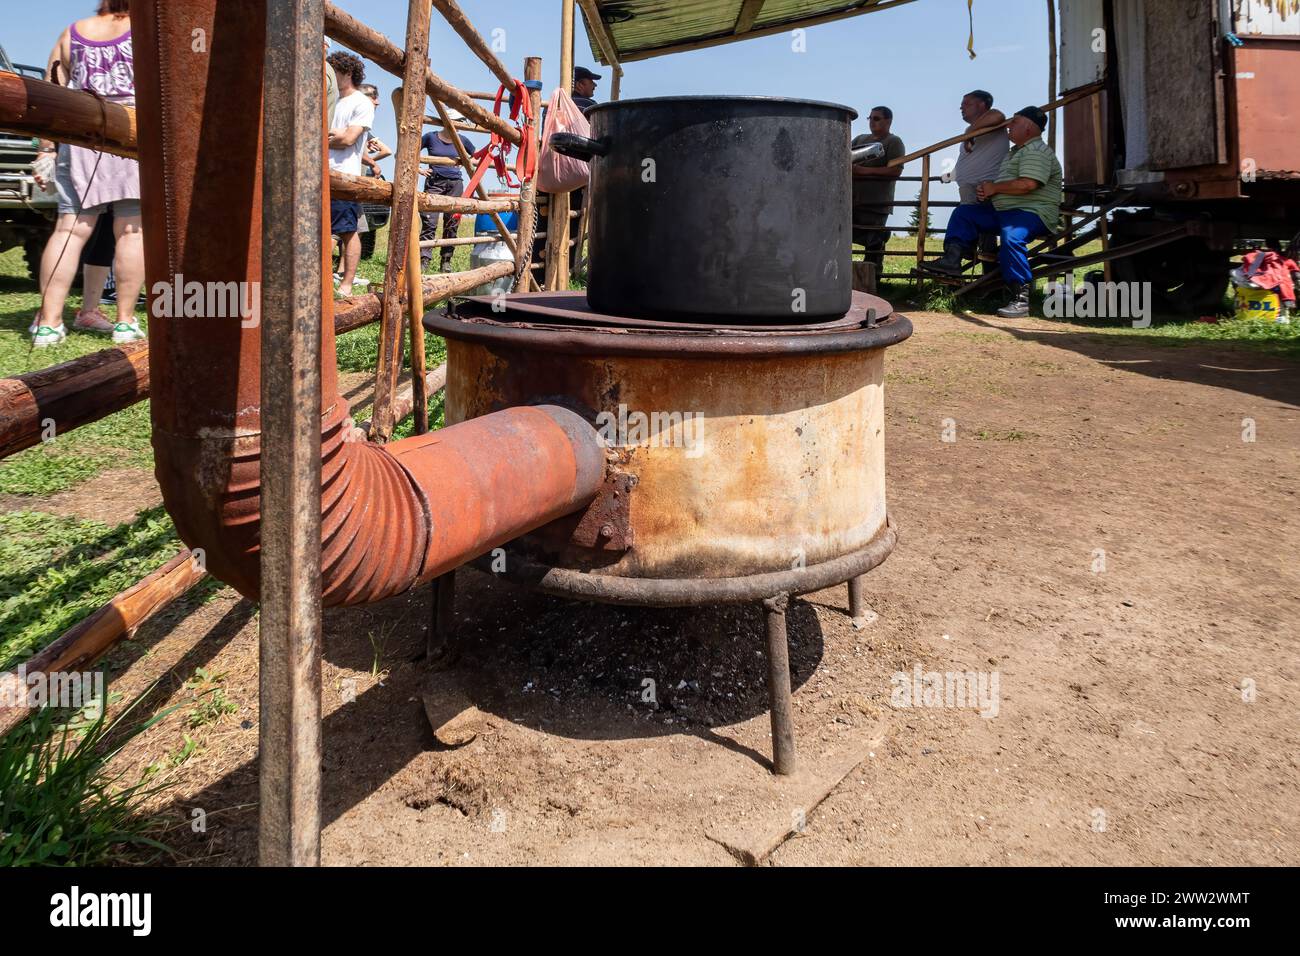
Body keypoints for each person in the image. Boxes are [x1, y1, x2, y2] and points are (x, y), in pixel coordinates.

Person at [30, 0, 145, 348]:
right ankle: (124, 322)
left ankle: (49, 324)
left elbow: (53, 92)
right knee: (131, 230)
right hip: (130, 134)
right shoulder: (144, 31)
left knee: (69, 230)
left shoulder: (73, 32)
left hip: (80, 141)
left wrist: (46, 150)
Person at [923, 106, 1062, 319]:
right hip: (1007, 211)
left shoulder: (1036, 151)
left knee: (1012, 236)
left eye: (1014, 122)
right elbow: (1012, 184)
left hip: (1032, 213)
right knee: (965, 213)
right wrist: (989, 191)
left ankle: (1021, 298)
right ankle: (951, 260)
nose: (1008, 125)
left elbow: (1028, 184)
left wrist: (994, 188)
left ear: (1028, 127)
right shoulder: (1017, 152)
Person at [327, 50, 375, 297]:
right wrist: (332, 134)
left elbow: (348, 138)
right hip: (321, 172)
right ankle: (324, 280)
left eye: (333, 72)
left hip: (344, 175)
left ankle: (346, 284)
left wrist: (325, 135)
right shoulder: (329, 100)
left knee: (347, 231)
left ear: (346, 73)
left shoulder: (361, 102)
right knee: (321, 229)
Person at [851, 106, 905, 272]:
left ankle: (873, 277)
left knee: (873, 242)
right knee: (847, 233)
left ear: (888, 121)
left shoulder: (894, 142)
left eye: (876, 118)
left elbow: (896, 171)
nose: (872, 122)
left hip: (877, 203)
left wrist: (864, 171)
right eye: (870, 118)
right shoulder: (860, 139)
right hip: (853, 201)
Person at [419, 113, 475, 273]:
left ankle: (446, 260)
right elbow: (410, 150)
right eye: (457, 121)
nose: (458, 124)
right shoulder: (430, 137)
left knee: (452, 223)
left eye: (461, 122)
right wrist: (419, 169)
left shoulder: (462, 140)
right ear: (446, 122)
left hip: (455, 184)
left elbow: (475, 156)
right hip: (435, 182)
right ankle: (424, 259)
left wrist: (465, 164)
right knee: (429, 222)